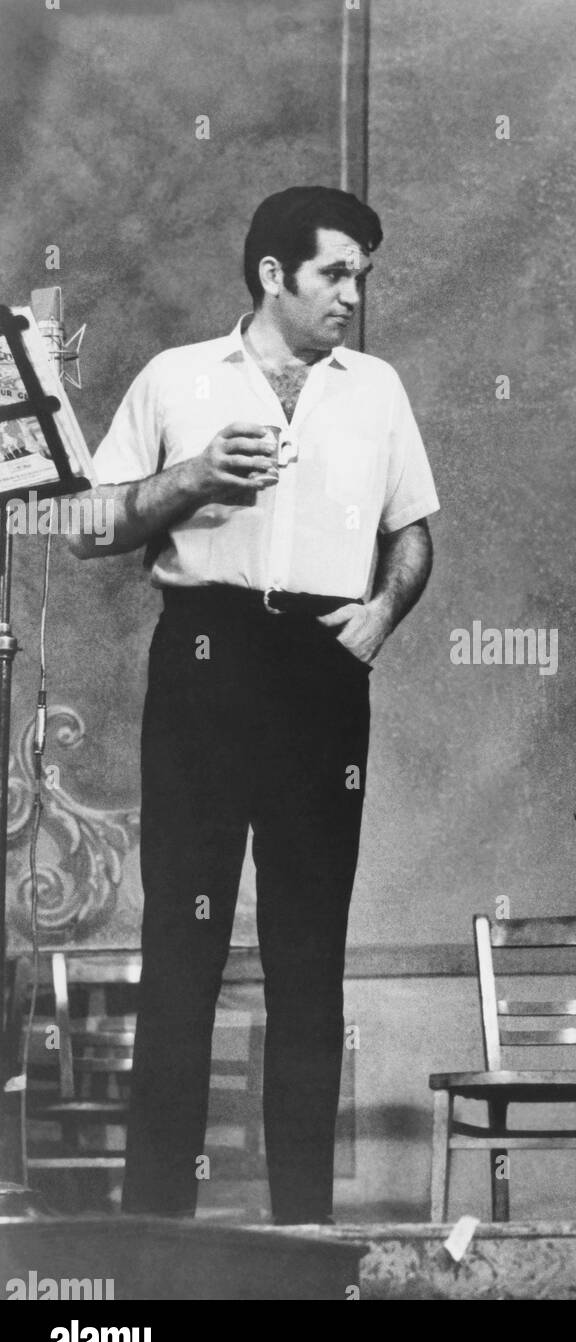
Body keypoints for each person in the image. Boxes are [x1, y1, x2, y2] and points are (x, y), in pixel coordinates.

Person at [70, 185, 439, 1224]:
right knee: (182, 948)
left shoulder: (376, 389)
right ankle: (154, 1230)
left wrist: (380, 613)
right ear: (272, 274)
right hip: (205, 654)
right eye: (334, 273)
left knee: (308, 950)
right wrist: (188, 477)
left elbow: (413, 530)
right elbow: (92, 524)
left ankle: (305, 1230)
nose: (353, 296)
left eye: (362, 276)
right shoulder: (176, 378)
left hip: (322, 668)